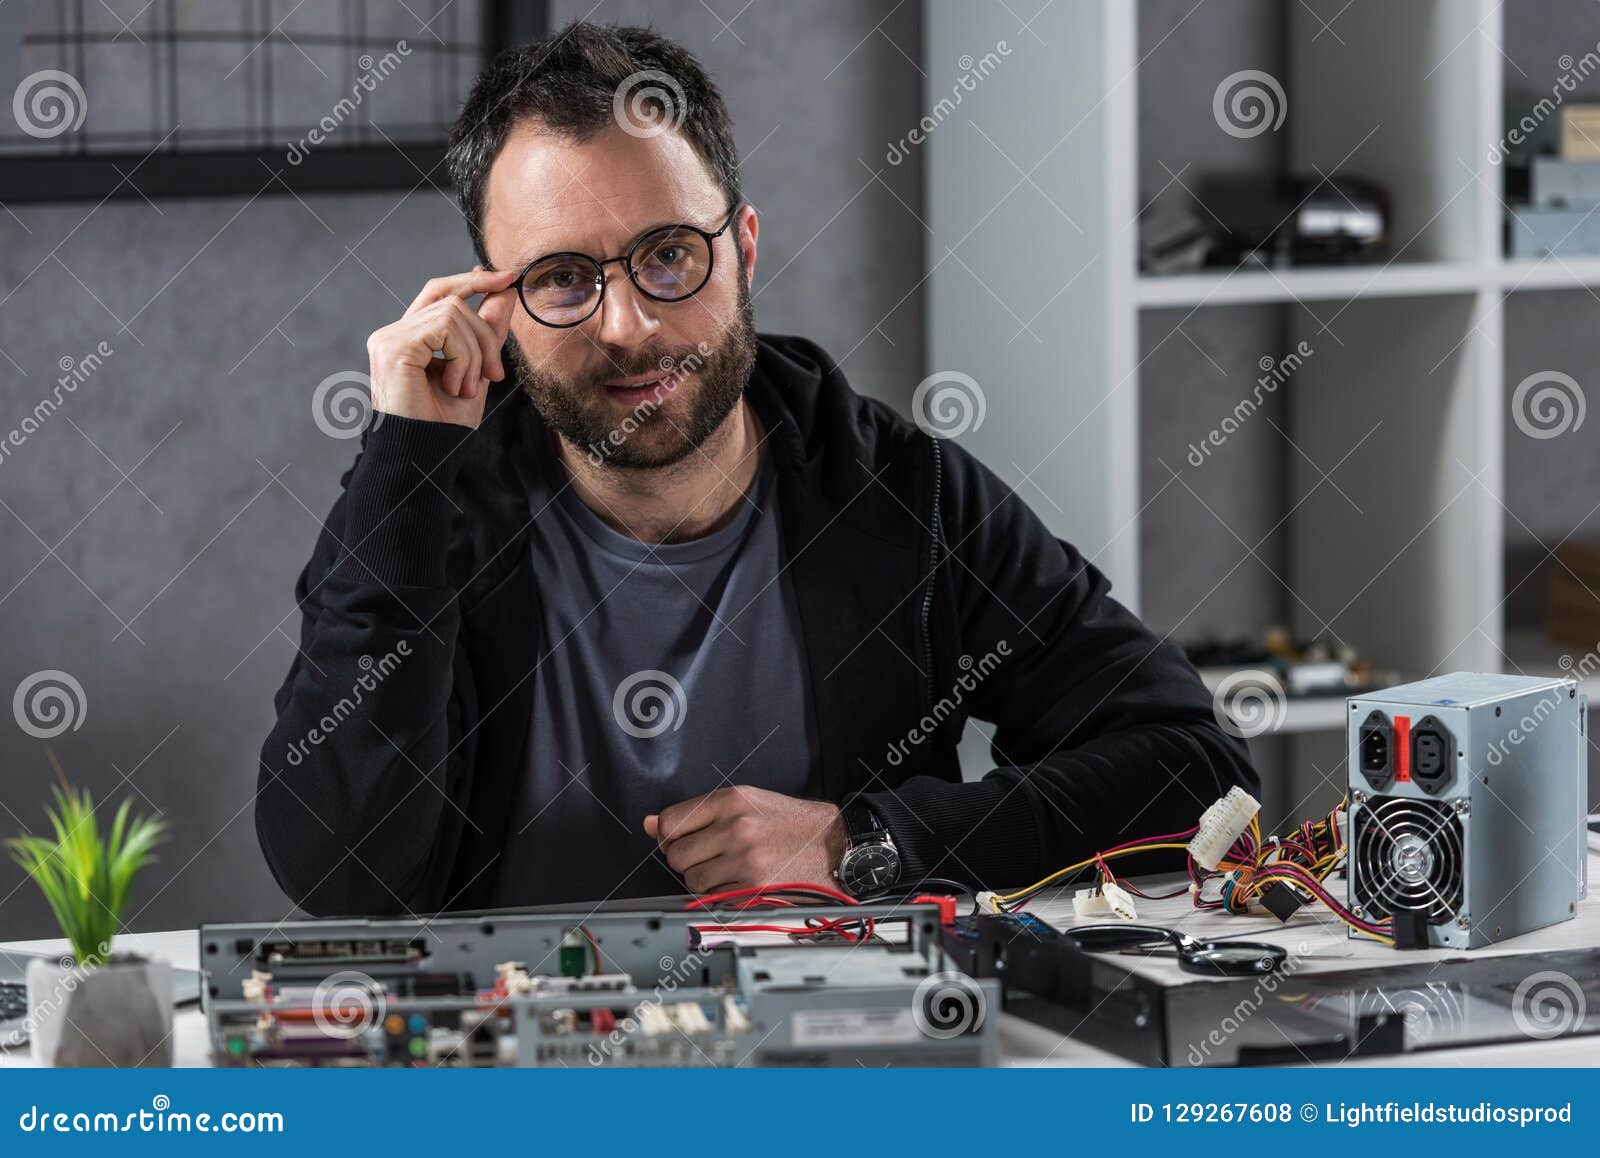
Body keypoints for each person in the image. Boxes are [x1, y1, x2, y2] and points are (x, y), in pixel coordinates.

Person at [256, 21, 1256, 916]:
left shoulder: (904, 494)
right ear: (496, 307)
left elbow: (1194, 769)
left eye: (668, 254)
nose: (629, 324)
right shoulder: (432, 505)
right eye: (562, 278)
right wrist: (404, 463)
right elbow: (343, 875)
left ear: (742, 247)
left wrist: (868, 842)